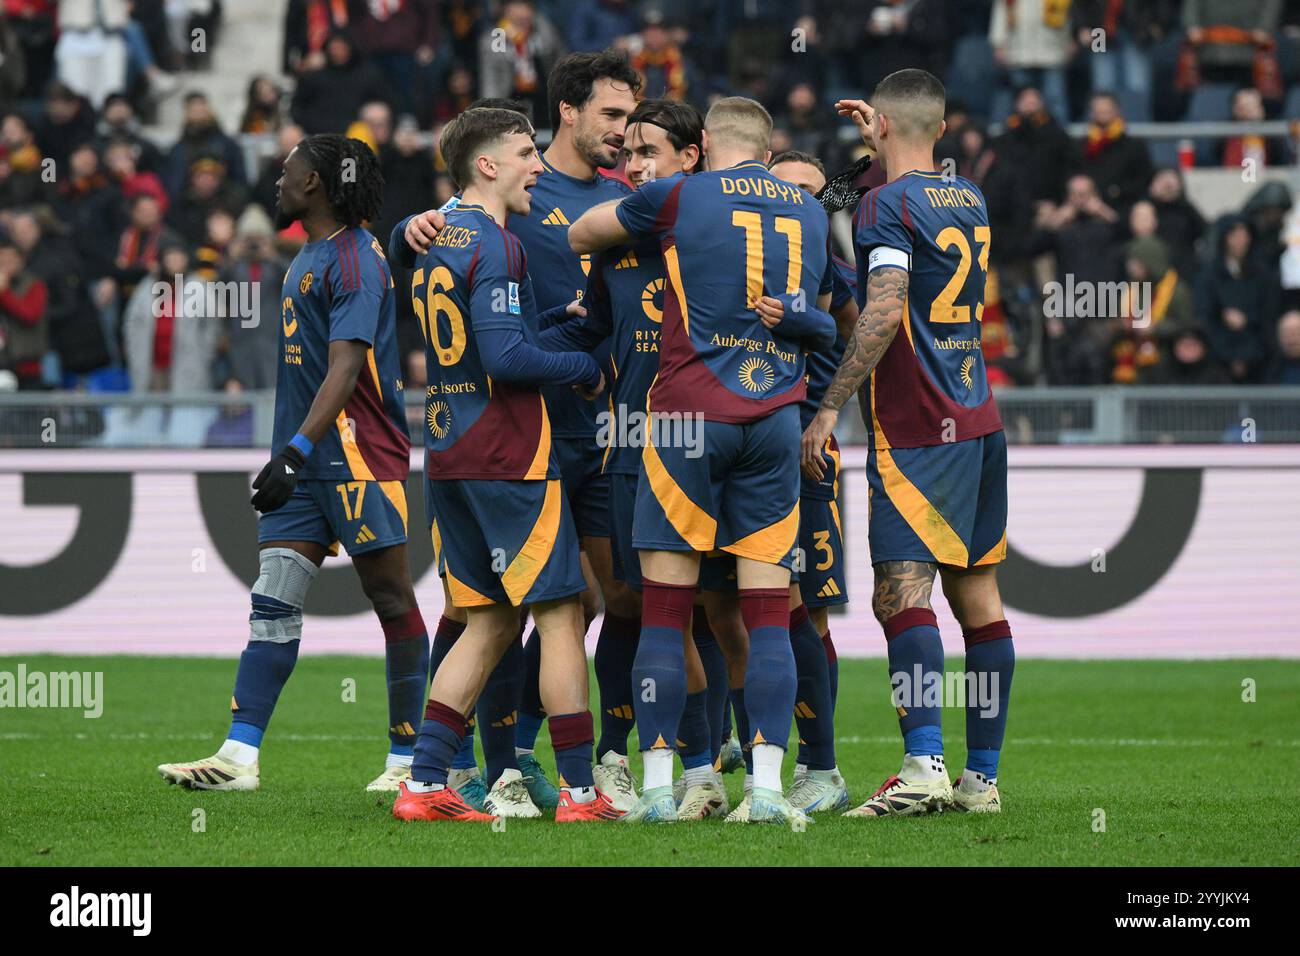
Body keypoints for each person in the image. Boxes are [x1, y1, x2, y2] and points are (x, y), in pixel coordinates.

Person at [568, 95, 837, 824]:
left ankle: (657, 786)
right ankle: (772, 791)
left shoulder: (679, 194)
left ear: (707, 142)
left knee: (664, 612)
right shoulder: (811, 211)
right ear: (770, 144)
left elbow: (580, 234)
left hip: (688, 417)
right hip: (775, 420)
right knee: (767, 618)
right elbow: (824, 310)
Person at [156, 135, 433, 793]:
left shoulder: (360, 260)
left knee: (391, 597)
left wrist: (295, 450)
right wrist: (295, 455)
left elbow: (347, 365)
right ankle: (238, 757)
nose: (278, 179)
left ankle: (407, 762)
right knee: (272, 602)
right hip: (305, 464)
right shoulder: (307, 255)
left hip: (357, 456)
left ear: (316, 185)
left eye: (289, 171)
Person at [403, 50, 642, 811]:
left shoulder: (440, 242)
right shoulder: (499, 242)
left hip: (449, 454)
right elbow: (504, 357)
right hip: (511, 455)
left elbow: (481, 338)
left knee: (487, 621)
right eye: (524, 154)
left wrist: (551, 321)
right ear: (484, 165)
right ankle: (579, 790)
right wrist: (576, 369)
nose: (535, 165)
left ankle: (424, 783)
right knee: (564, 613)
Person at [802, 69, 1016, 817]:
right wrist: (874, 154)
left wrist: (830, 407)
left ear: (883, 125)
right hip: (980, 418)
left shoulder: (885, 206)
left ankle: (923, 765)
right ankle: (979, 778)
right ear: (943, 128)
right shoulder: (967, 195)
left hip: (919, 427)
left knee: (902, 592)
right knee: (978, 595)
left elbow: (885, 308)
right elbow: (836, 198)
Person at [532, 98, 732, 820]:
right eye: (629, 153)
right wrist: (521, 356)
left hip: (704, 439)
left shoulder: (716, 229)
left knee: (711, 612)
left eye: (651, 151)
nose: (635, 165)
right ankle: (642, 760)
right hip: (628, 440)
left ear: (692, 155)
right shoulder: (616, 242)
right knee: (635, 606)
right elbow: (596, 333)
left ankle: (714, 764)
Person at [765, 149, 857, 815]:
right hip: (745, 446)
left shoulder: (831, 269)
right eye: (789, 187)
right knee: (735, 606)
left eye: (813, 193)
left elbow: (855, 341)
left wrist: (825, 417)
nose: (802, 201)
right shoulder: (737, 251)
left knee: (808, 608)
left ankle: (820, 765)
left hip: (805, 453)